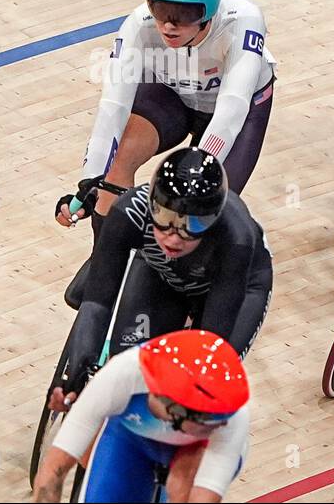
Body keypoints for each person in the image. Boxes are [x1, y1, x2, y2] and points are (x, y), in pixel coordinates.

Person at [56, 0, 276, 240]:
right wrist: (89, 180)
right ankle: (106, 265)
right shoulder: (139, 25)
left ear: (208, 10)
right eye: (159, 10)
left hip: (235, 110)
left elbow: (231, 112)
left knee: (203, 206)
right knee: (115, 165)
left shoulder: (243, 20)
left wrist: (191, 179)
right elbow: (113, 107)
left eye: (183, 15)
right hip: (172, 96)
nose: (169, 26)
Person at [51, 149, 272, 412]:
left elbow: (212, 339)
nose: (174, 237)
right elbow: (97, 303)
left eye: (194, 225)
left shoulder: (235, 237)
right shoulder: (129, 213)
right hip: (163, 274)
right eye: (165, 219)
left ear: (212, 221)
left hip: (235, 289)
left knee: (202, 389)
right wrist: (76, 373)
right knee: (124, 364)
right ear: (152, 206)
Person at [34, 329, 251, 503]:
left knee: (184, 486)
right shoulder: (122, 374)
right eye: (208, 423)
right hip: (131, 437)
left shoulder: (233, 416)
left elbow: (205, 497)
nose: (217, 424)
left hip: (197, 450)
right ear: (175, 410)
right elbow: (53, 473)